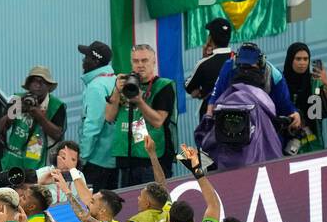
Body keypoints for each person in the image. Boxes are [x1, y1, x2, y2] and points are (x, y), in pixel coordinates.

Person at [106, 45, 176, 188]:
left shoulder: (163, 86)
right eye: (136, 61)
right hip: (125, 158)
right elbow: (109, 117)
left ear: (154, 61)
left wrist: (139, 101)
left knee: (154, 202)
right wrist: (116, 92)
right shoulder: (124, 85)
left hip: (152, 159)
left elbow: (158, 121)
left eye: (144, 60)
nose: (140, 65)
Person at [0, 67, 67, 173]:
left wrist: (38, 115)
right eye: (34, 81)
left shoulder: (56, 105)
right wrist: (14, 110)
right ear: (29, 84)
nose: (37, 85)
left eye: (42, 82)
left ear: (49, 86)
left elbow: (58, 135)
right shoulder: (17, 99)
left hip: (39, 162)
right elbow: (1, 127)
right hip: (13, 159)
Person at [79, 41, 120, 190]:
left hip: (97, 161)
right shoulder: (115, 81)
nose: (83, 61)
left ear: (96, 61)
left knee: (94, 208)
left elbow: (93, 126)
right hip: (114, 158)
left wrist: (83, 157)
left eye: (86, 58)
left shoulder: (96, 86)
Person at [282, 43, 327, 152]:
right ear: (290, 60)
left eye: (305, 59)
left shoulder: (313, 82)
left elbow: (324, 112)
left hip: (313, 143)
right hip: (287, 144)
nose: (302, 63)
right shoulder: (281, 83)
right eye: (298, 59)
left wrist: (326, 86)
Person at [186, 18, 234, 122]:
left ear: (210, 39)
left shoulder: (204, 63)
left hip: (210, 116)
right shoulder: (238, 59)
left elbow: (188, 86)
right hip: (237, 116)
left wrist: (201, 92)